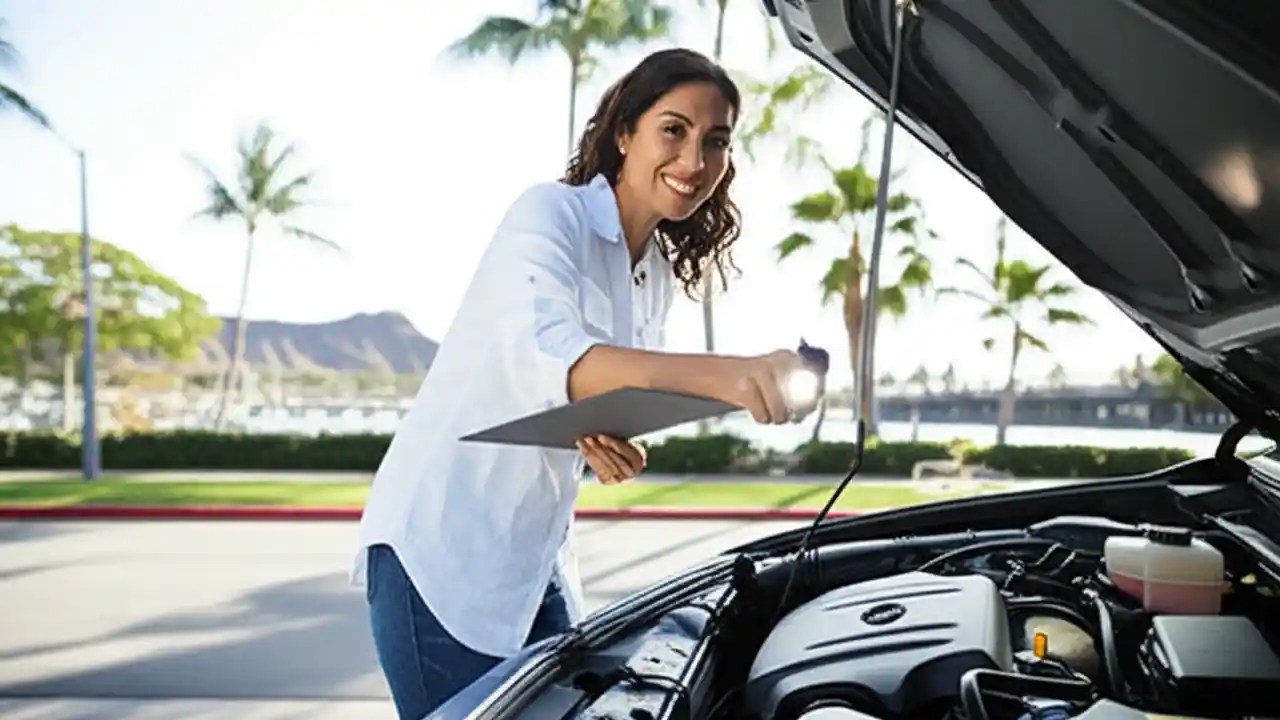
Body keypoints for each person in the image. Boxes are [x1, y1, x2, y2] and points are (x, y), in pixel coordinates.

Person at [351, 47, 821, 719]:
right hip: (442, 552)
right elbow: (550, 355)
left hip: (534, 561)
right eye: (674, 129)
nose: (695, 160)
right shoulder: (550, 213)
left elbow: (589, 391)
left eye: (715, 141)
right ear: (624, 132)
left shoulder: (653, 271)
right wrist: (731, 374)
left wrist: (602, 437)